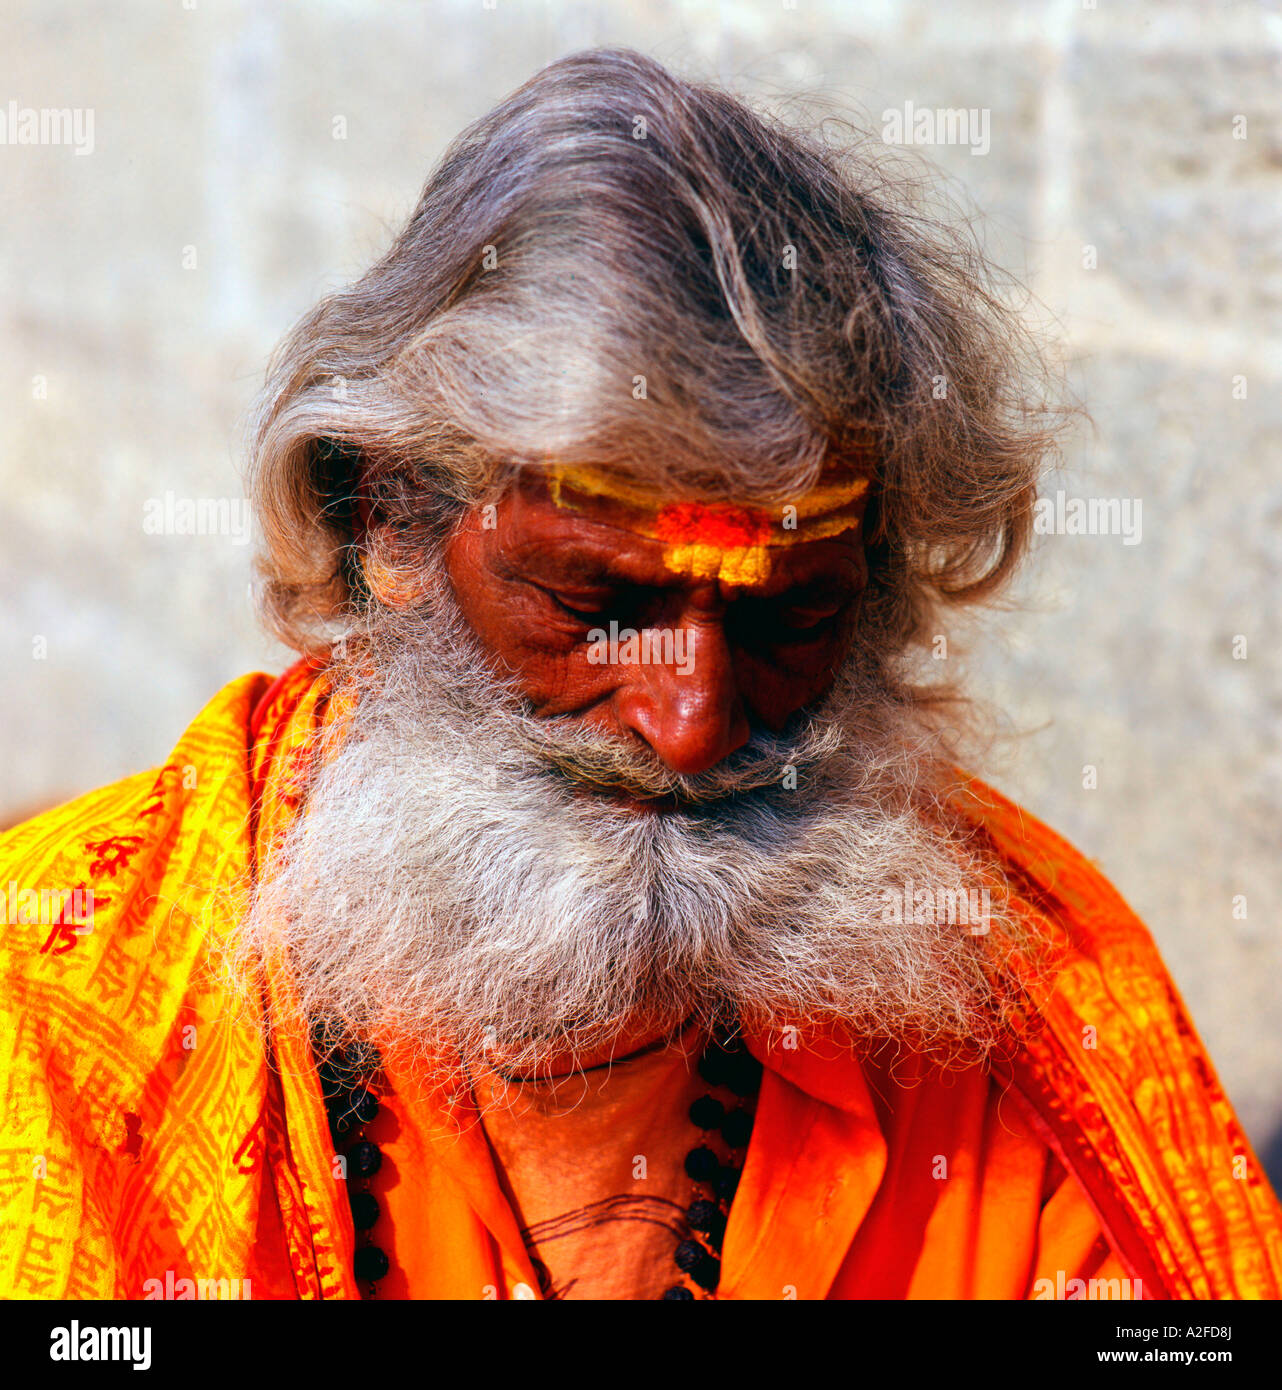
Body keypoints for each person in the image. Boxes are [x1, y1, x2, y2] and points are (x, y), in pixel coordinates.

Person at [2, 47, 1278, 1302]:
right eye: (598, 606)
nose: (691, 725)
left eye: (791, 617)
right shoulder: (54, 998)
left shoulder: (1029, 1019)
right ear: (389, 525)